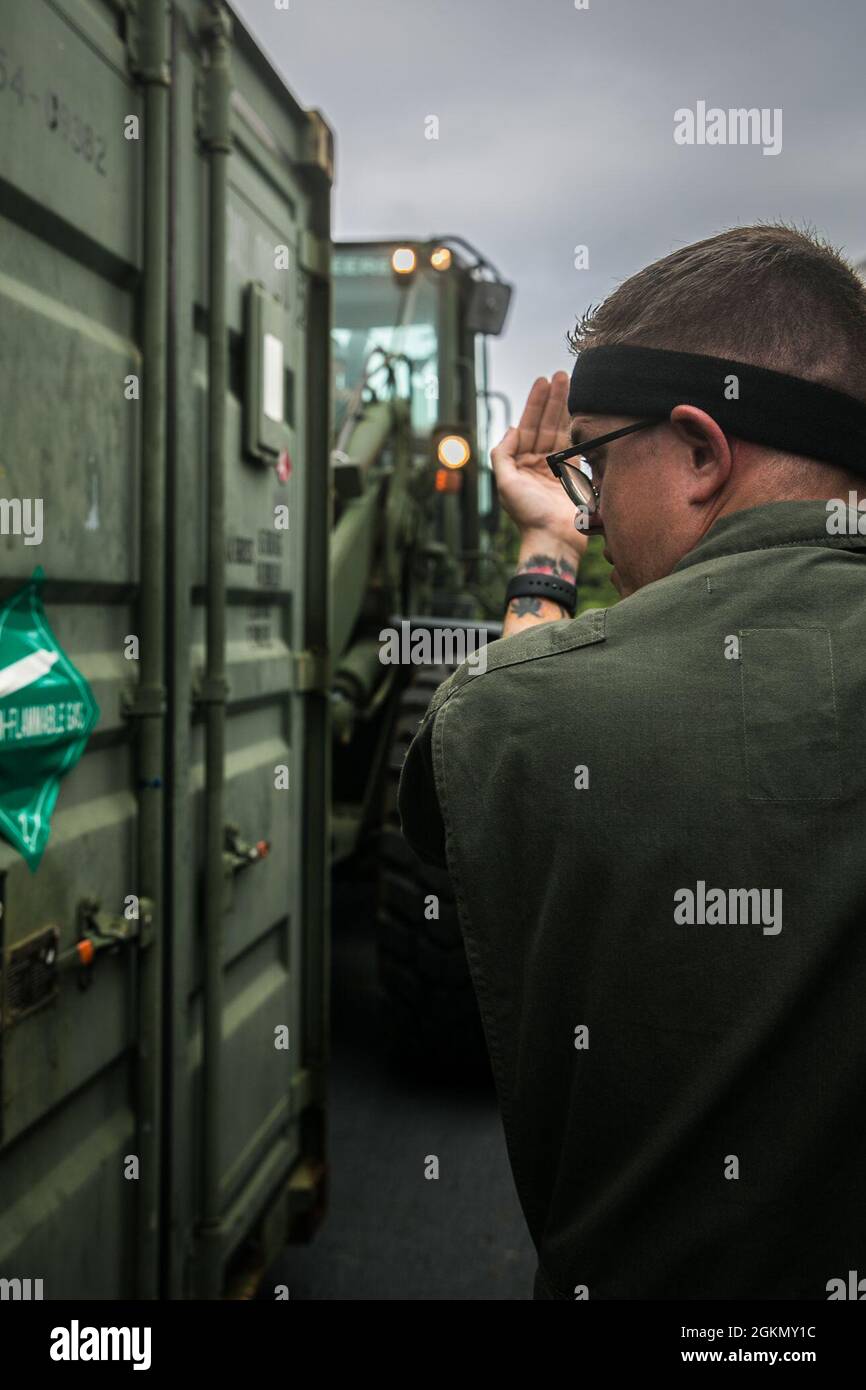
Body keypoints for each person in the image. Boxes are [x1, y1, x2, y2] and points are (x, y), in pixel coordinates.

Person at [398, 224, 866, 1300]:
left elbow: (502, 718)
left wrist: (545, 555)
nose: (593, 508)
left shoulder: (532, 710)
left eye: (596, 466)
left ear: (701, 453)